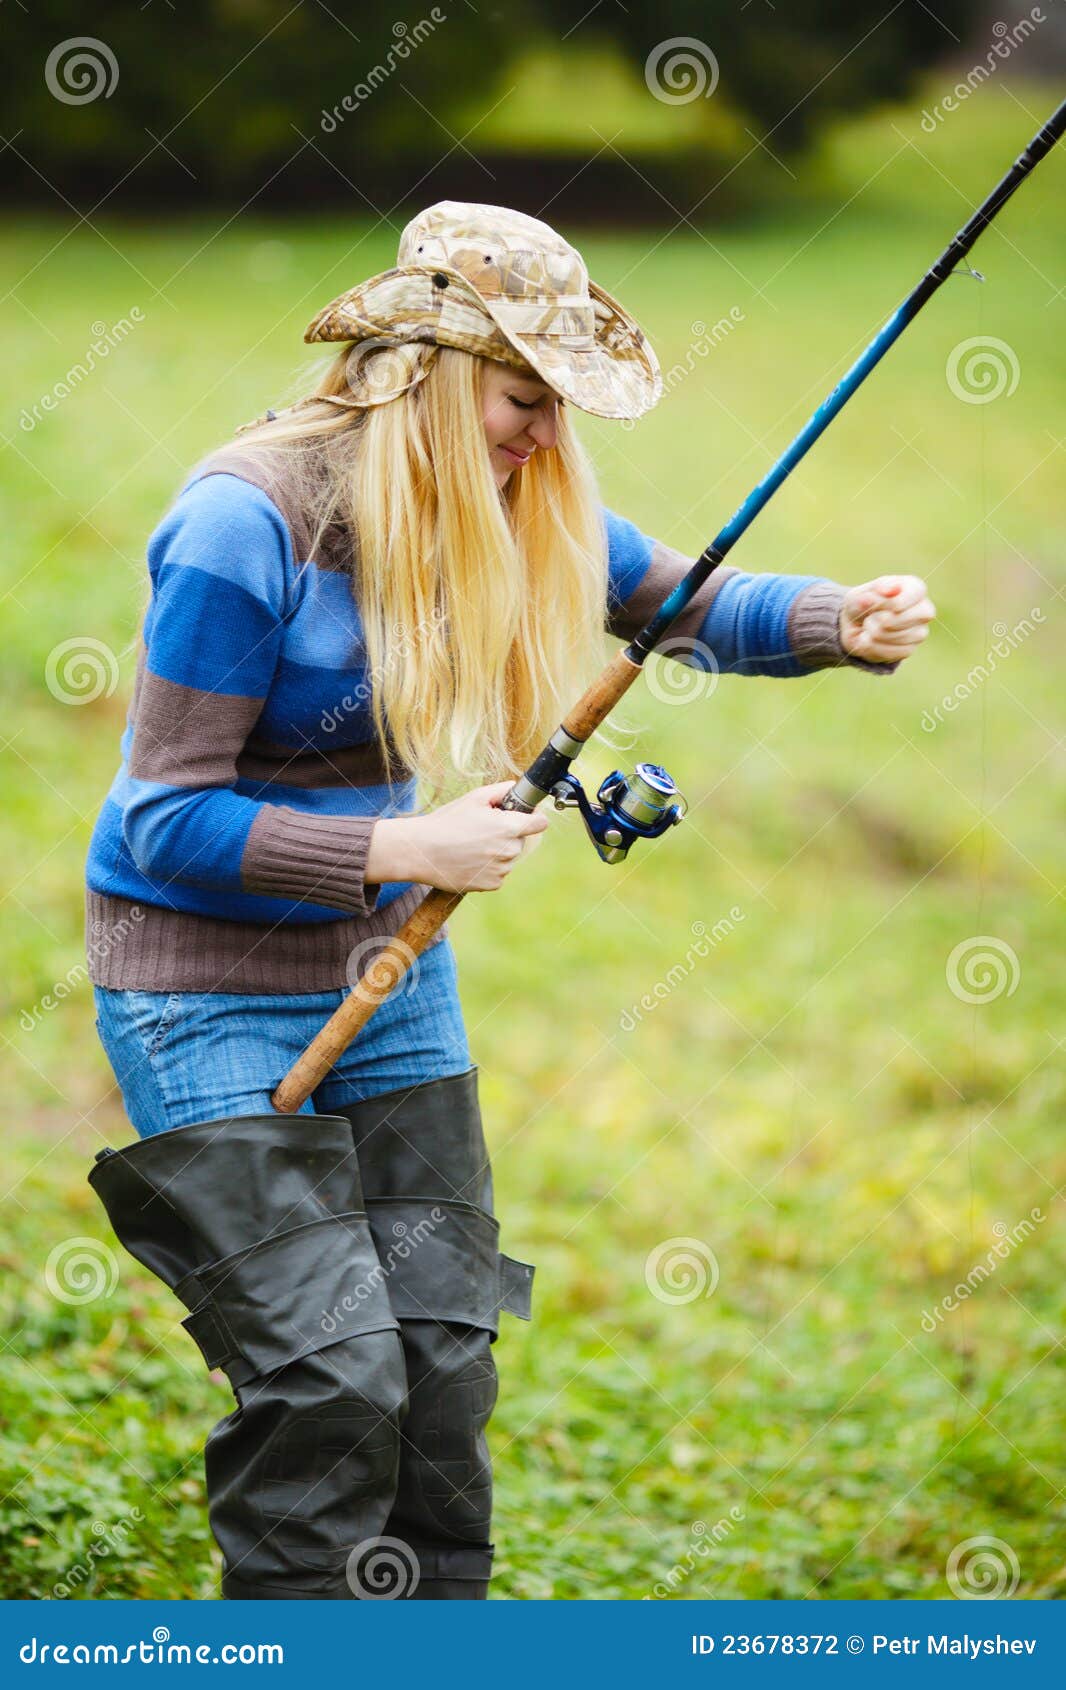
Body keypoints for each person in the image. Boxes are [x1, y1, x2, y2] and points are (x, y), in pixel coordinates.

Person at [85, 201, 935, 1602]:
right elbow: (160, 819)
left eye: (555, 406)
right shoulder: (245, 520)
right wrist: (402, 847)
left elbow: (674, 599)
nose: (543, 434)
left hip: (388, 981)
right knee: (328, 1375)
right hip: (202, 992)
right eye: (522, 398)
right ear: (423, 370)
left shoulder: (507, 499)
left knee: (439, 1359)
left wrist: (832, 620)